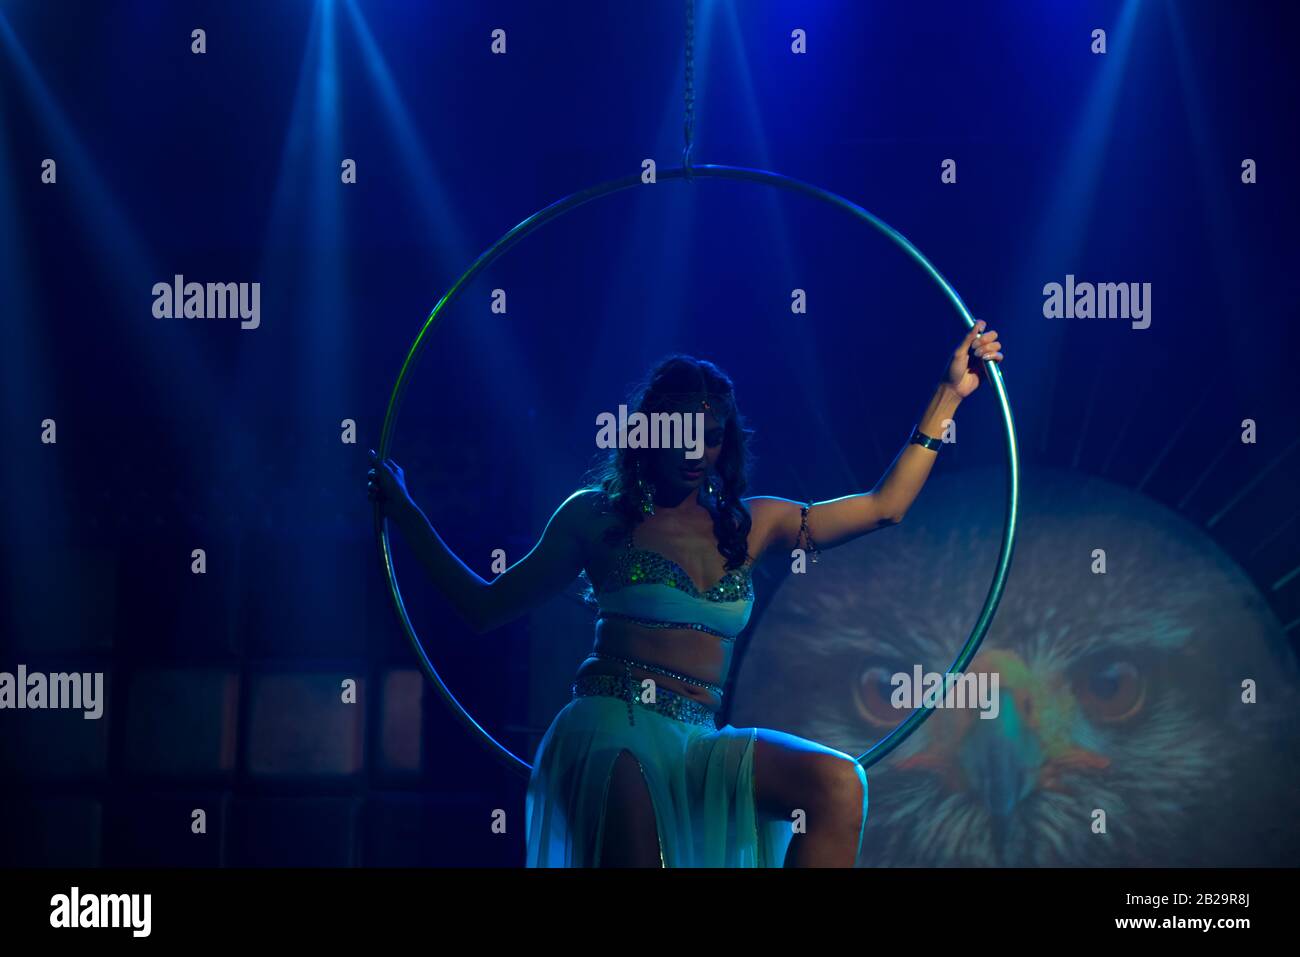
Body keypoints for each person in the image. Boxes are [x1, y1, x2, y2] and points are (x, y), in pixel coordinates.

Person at [368, 323, 1004, 866]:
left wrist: (948, 395)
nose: (699, 451)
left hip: (698, 739)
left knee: (839, 784)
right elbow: (485, 607)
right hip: (612, 727)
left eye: (714, 435)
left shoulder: (753, 525)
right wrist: (407, 514)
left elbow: (884, 507)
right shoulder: (598, 518)